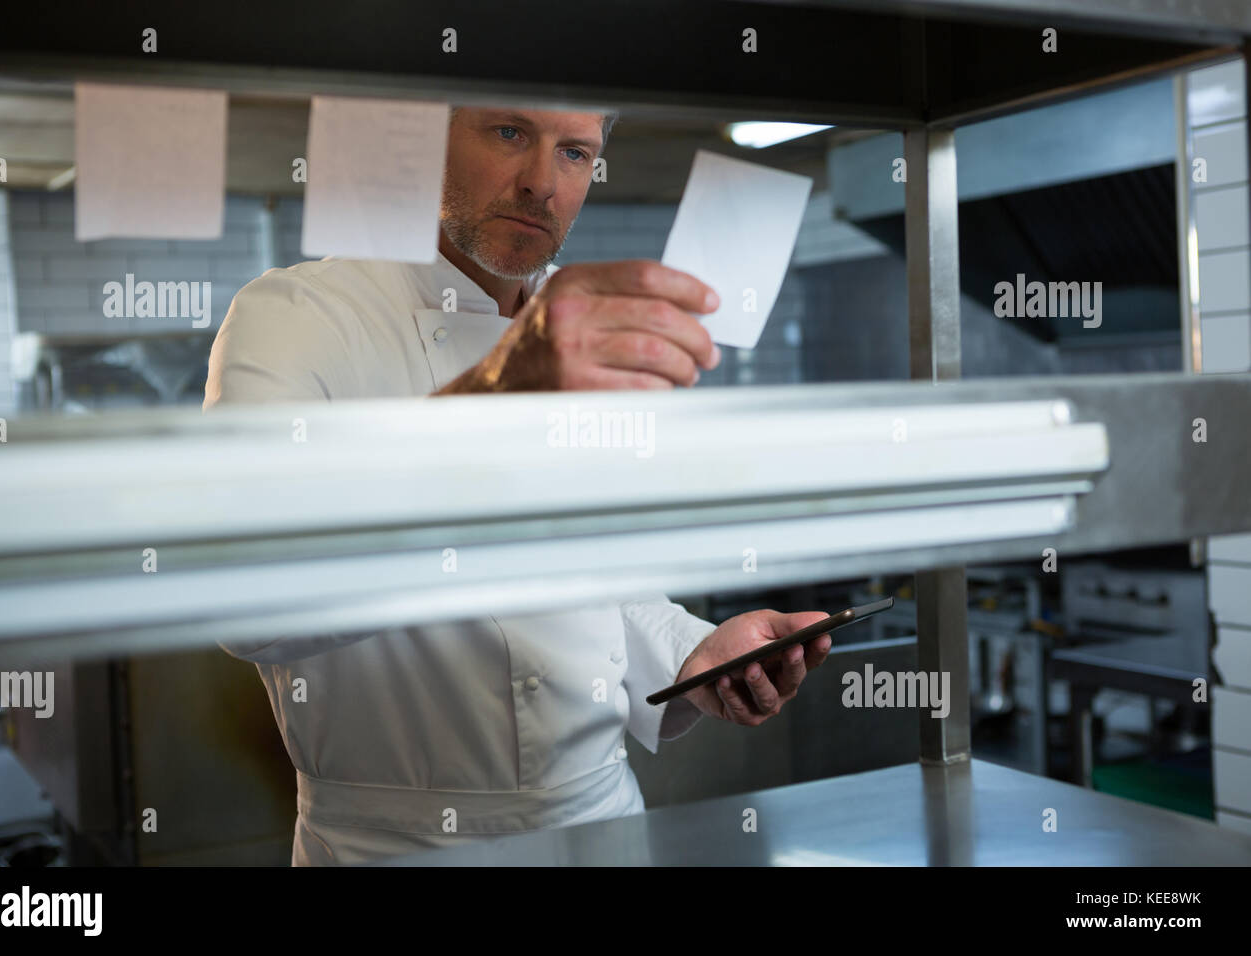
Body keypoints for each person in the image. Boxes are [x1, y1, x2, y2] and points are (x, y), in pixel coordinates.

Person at [203, 105, 833, 864]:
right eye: (509, 133)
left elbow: (603, 577)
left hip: (603, 827)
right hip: (393, 847)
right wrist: (491, 402)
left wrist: (691, 657)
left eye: (575, 153)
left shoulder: (587, 317)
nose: (542, 183)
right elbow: (246, 602)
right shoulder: (297, 316)